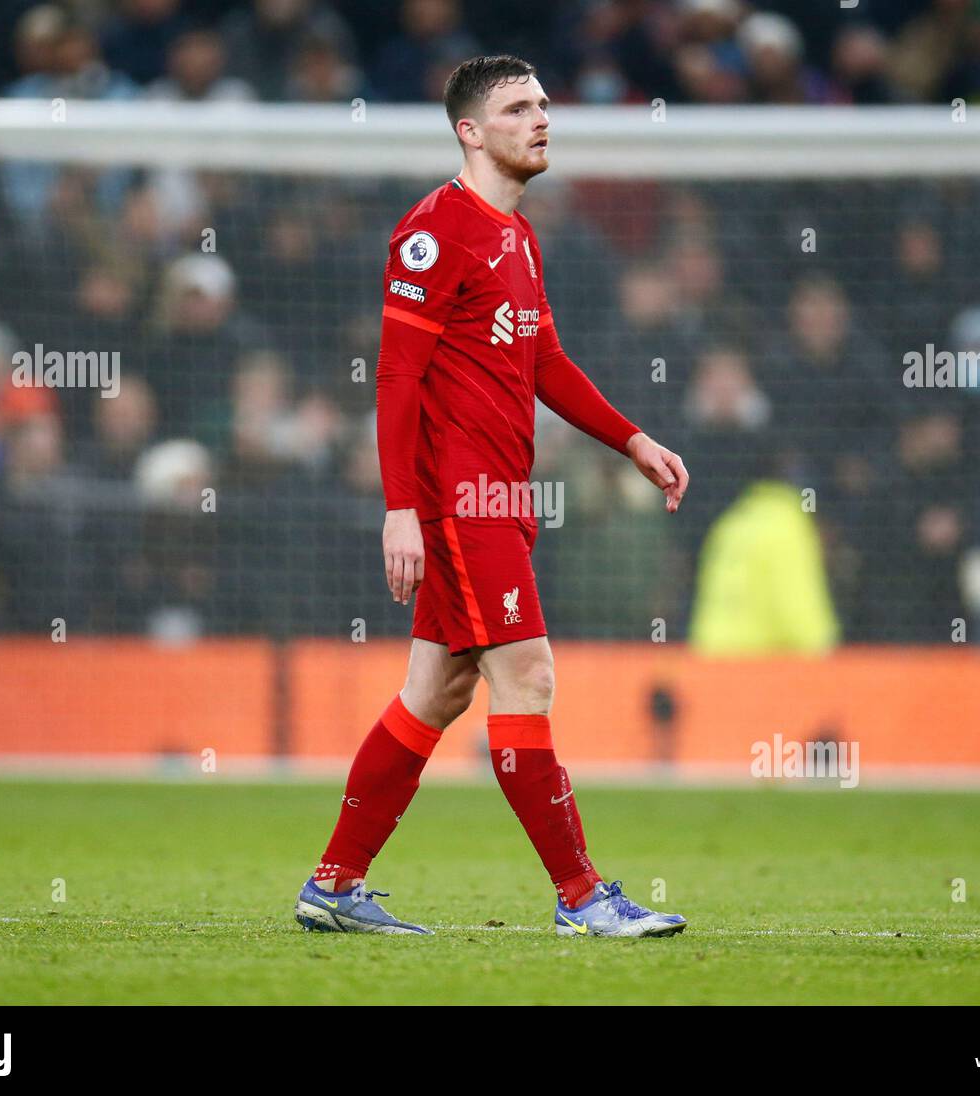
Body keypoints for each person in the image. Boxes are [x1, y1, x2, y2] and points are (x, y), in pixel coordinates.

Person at [297, 55, 690, 938]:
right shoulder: (434, 233)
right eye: (518, 108)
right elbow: (396, 376)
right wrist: (402, 509)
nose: (541, 119)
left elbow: (544, 362)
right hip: (459, 502)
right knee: (529, 675)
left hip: (502, 497)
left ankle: (333, 884)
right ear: (470, 131)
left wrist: (632, 439)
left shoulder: (519, 237)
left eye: (545, 104)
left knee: (435, 693)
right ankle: (583, 897)